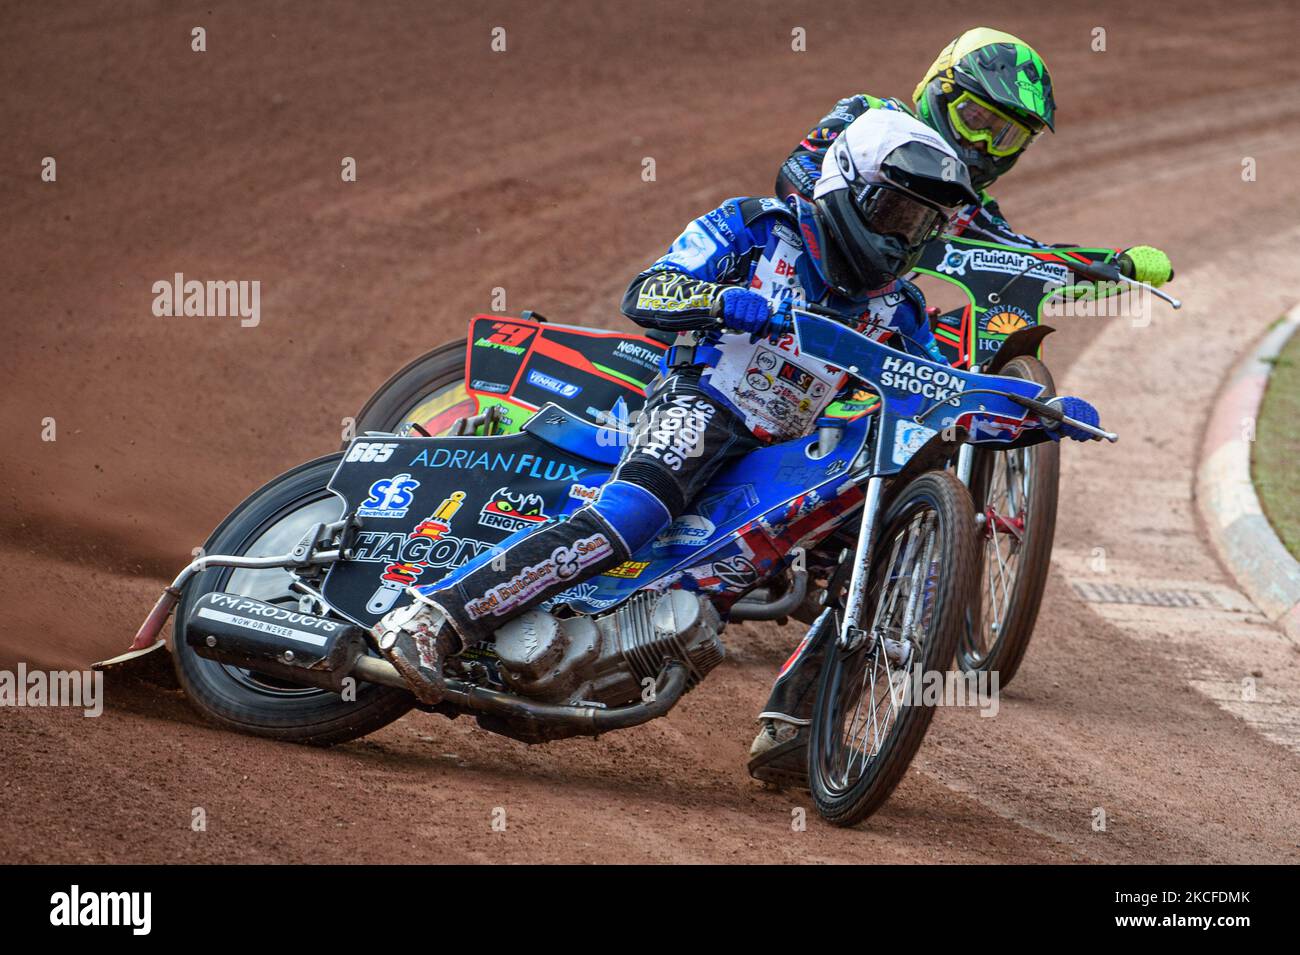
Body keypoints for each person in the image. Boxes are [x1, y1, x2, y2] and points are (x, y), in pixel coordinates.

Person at [373, 110, 1100, 779]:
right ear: (848, 183)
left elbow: (930, 389)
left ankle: (798, 722)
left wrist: (1033, 412)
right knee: (635, 515)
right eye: (895, 211)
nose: (904, 236)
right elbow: (647, 290)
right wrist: (719, 302)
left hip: (781, 448)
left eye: (922, 224)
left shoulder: (900, 304)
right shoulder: (755, 226)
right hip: (700, 401)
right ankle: (436, 614)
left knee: (867, 542)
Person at [776, 27, 1173, 288]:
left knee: (975, 331)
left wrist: (1119, 266)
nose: (983, 144)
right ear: (941, 93)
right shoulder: (870, 117)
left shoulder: (965, 206)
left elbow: (1030, 261)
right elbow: (797, 170)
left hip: (867, 313)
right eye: (976, 120)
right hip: (775, 272)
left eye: (1004, 136)